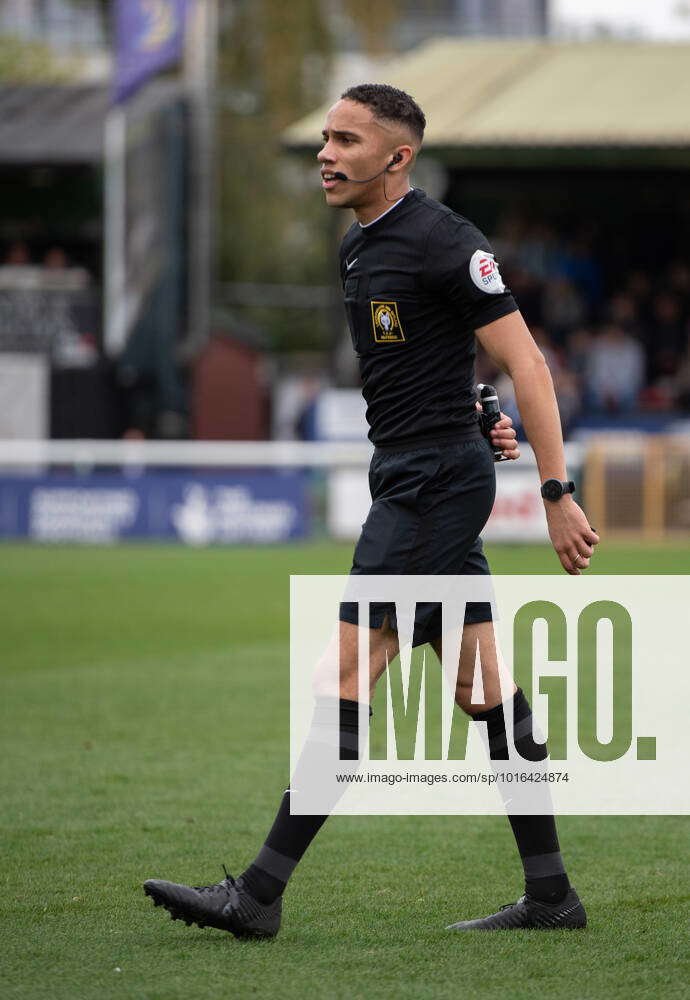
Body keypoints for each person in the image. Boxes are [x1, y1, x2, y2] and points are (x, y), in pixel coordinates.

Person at [143, 84, 599, 938]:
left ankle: (258, 896)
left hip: (430, 489)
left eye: (346, 140)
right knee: (480, 690)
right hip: (420, 474)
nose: (325, 152)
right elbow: (433, 358)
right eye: (324, 136)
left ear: (397, 158)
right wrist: (473, 404)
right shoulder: (361, 246)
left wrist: (556, 491)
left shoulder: (444, 240)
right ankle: (551, 897)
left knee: (341, 678)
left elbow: (529, 364)